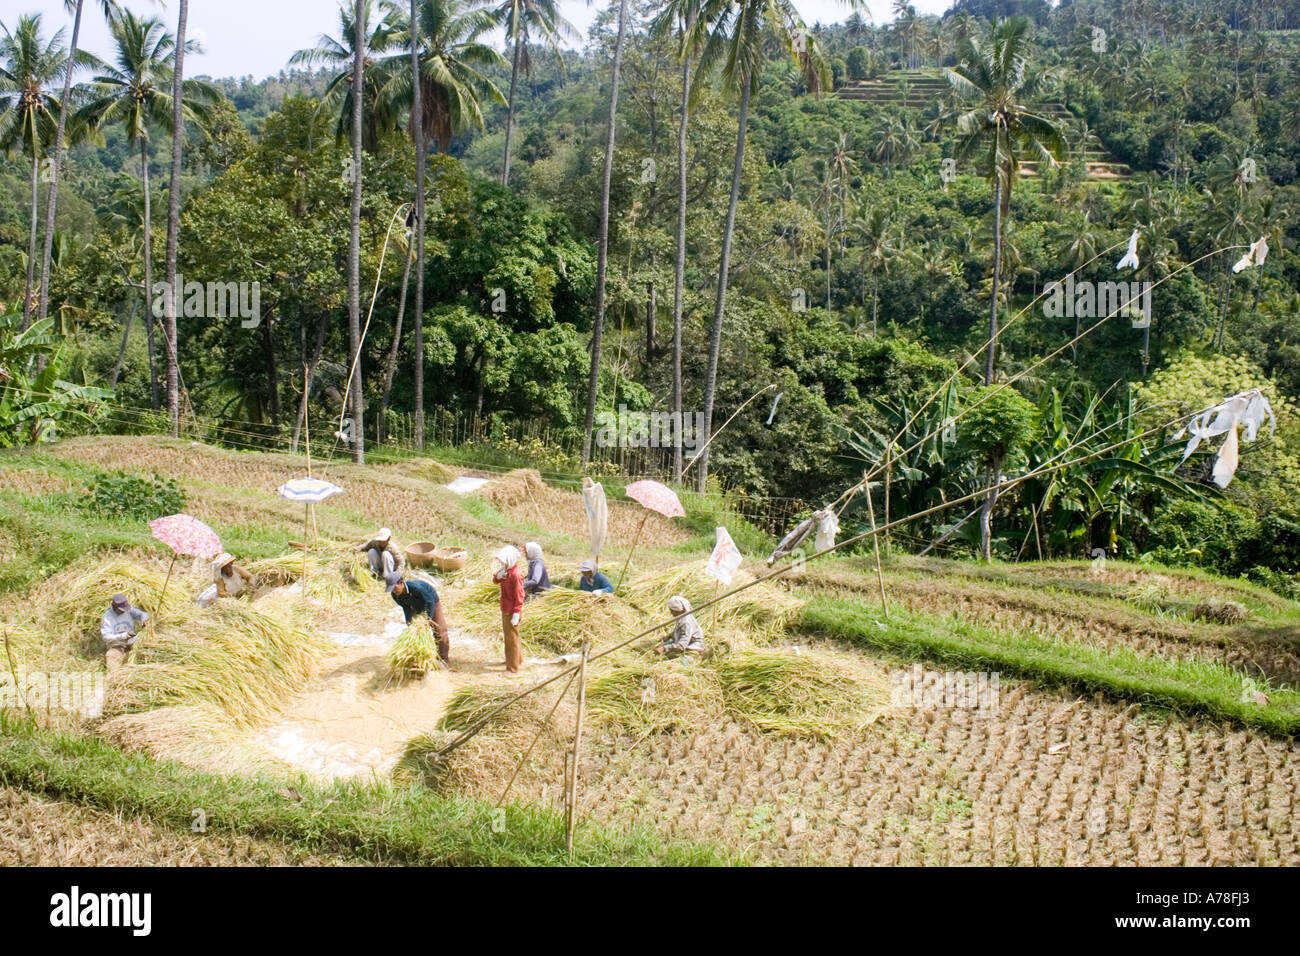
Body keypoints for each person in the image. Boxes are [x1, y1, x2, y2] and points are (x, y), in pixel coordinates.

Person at [386, 572, 450, 666]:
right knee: (416, 631)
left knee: (439, 631)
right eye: (391, 589)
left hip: (431, 602)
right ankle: (421, 659)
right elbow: (405, 606)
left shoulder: (417, 588)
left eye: (394, 588)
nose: (393, 591)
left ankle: (443, 660)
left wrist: (427, 619)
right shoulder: (395, 595)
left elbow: (430, 602)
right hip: (415, 605)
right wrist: (408, 620)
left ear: (401, 583)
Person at [493, 545, 525, 674]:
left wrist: (517, 612)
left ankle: (512, 668)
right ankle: (516, 660)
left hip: (512, 610)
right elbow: (495, 581)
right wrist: (498, 576)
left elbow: (520, 595)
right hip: (505, 607)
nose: (502, 563)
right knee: (510, 637)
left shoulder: (516, 575)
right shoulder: (507, 571)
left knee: (512, 639)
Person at [100, 593, 149, 672]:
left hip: (133, 643)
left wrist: (144, 619)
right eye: (121, 610)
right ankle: (116, 678)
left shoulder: (128, 610)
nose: (124, 612)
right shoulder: (107, 617)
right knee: (111, 658)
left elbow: (143, 614)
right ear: (115, 608)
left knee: (145, 656)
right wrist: (123, 636)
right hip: (118, 645)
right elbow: (106, 637)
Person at [655, 594, 706, 659]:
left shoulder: (686, 622)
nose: (671, 613)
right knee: (660, 646)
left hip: (693, 648)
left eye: (672, 611)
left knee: (676, 659)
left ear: (677, 610)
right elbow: (680, 631)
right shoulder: (681, 617)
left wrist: (664, 648)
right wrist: (669, 636)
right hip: (685, 644)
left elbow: (681, 645)